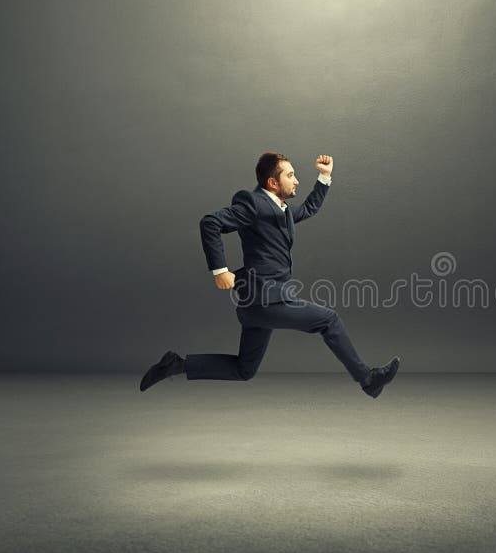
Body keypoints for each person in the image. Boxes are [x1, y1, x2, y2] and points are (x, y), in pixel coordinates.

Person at [140, 152, 400, 398]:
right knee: (329, 320)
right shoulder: (253, 203)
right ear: (273, 182)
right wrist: (220, 270)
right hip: (266, 298)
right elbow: (210, 223)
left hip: (258, 305)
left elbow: (309, 208)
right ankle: (368, 380)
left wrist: (324, 177)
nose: (296, 180)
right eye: (290, 175)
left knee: (244, 370)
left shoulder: (282, 210)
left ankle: (177, 365)